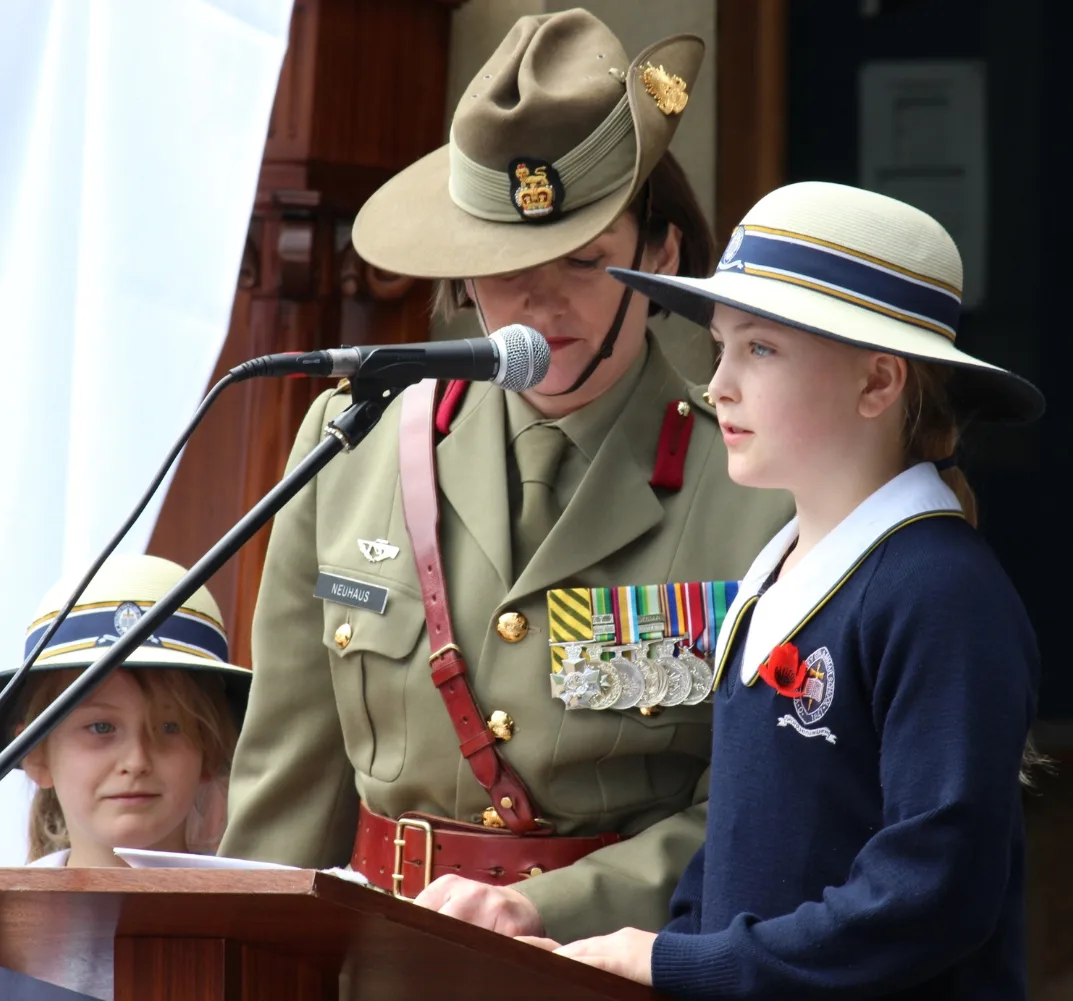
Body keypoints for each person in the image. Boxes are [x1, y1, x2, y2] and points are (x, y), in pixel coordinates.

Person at [218, 7, 792, 944]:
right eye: (506, 264)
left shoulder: (759, 488)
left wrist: (550, 906)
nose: (538, 302)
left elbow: (758, 812)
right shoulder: (353, 442)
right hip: (380, 960)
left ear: (662, 258)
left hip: (615, 966)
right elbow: (289, 778)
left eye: (584, 260)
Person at [522, 181, 1046, 999]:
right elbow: (735, 854)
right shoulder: (775, 574)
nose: (718, 384)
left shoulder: (940, 592)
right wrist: (675, 952)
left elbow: (933, 891)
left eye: (760, 349)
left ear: (878, 383)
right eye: (721, 346)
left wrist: (686, 962)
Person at [4, 554, 248, 1001]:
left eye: (170, 727)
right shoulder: (5, 936)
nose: (136, 760)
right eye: (101, 728)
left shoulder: (268, 933)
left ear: (211, 751)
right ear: (35, 754)